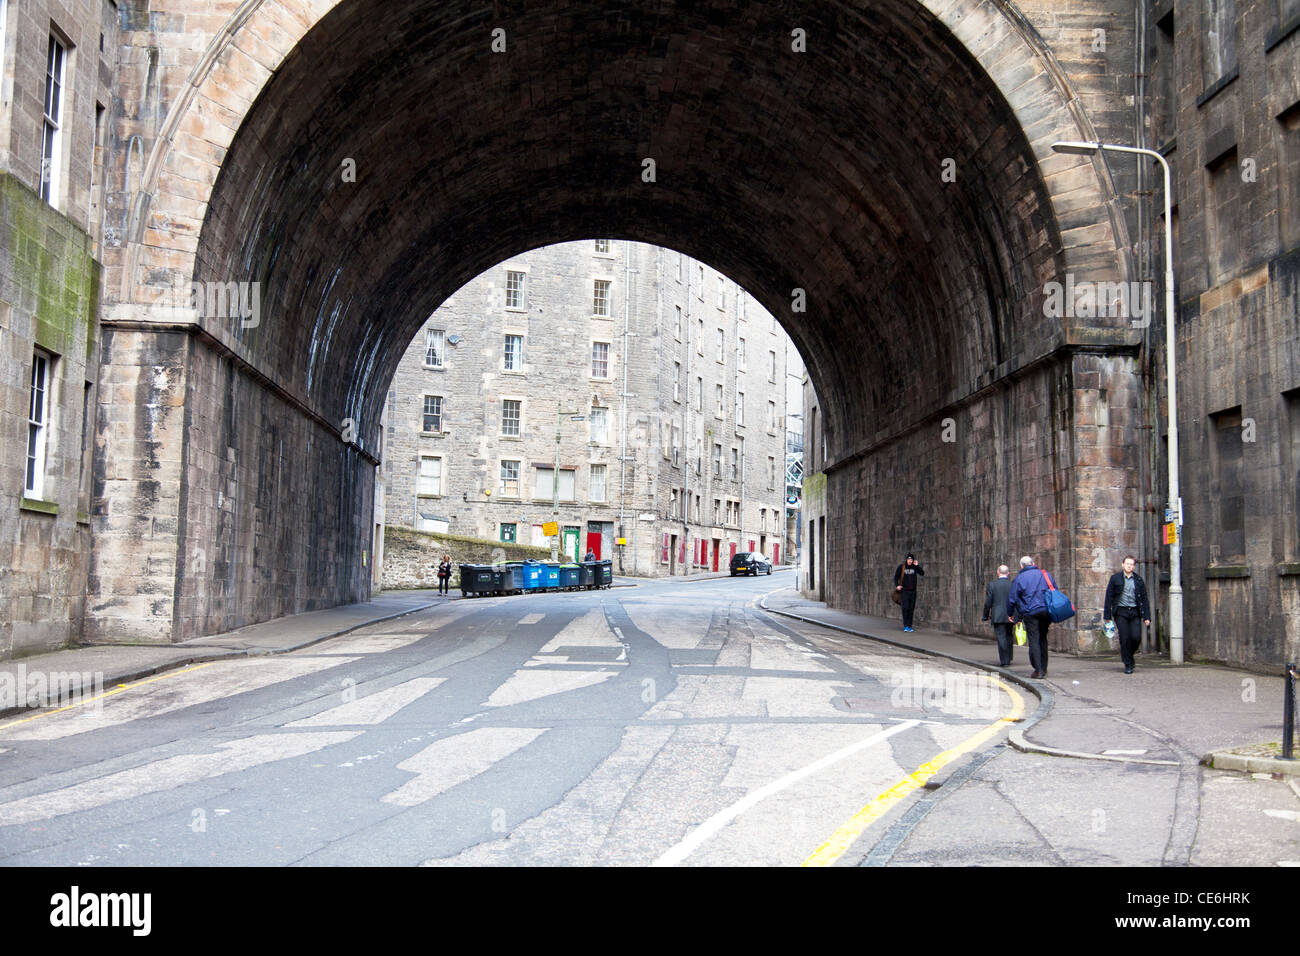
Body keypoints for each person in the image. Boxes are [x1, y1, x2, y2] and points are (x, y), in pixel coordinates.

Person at [1006, 555, 1053, 678]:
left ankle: (1038, 670)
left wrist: (1010, 614)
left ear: (1021, 566)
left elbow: (1012, 599)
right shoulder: (1045, 574)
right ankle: (1044, 667)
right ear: (1033, 563)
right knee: (1043, 638)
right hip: (1045, 611)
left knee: (1034, 640)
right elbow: (1054, 589)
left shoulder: (1019, 579)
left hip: (1030, 612)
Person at [1104, 554, 1151, 674]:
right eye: (1127, 564)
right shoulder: (1115, 578)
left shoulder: (1139, 580)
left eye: (1131, 564)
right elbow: (1109, 597)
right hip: (1121, 611)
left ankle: (1129, 655)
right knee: (1124, 638)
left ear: (1134, 567)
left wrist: (1147, 617)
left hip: (1135, 611)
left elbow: (1144, 599)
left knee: (1136, 637)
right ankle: (1128, 664)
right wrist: (1107, 616)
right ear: (1123, 565)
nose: (1129, 566)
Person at [982, 564, 1015, 667]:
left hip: (998, 615)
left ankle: (1004, 660)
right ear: (1008, 573)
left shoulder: (992, 585)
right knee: (1009, 636)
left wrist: (985, 615)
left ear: (998, 572)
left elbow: (988, 602)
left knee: (1001, 637)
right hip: (1010, 614)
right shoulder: (1012, 584)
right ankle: (1009, 657)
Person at [893, 554, 924, 632]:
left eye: (911, 560)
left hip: (913, 592)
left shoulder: (914, 567)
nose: (910, 561)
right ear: (906, 560)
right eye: (908, 559)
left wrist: (917, 566)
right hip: (904, 591)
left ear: (913, 560)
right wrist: (897, 585)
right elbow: (896, 577)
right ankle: (906, 626)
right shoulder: (902, 567)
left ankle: (910, 626)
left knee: (911, 609)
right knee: (905, 608)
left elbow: (922, 573)